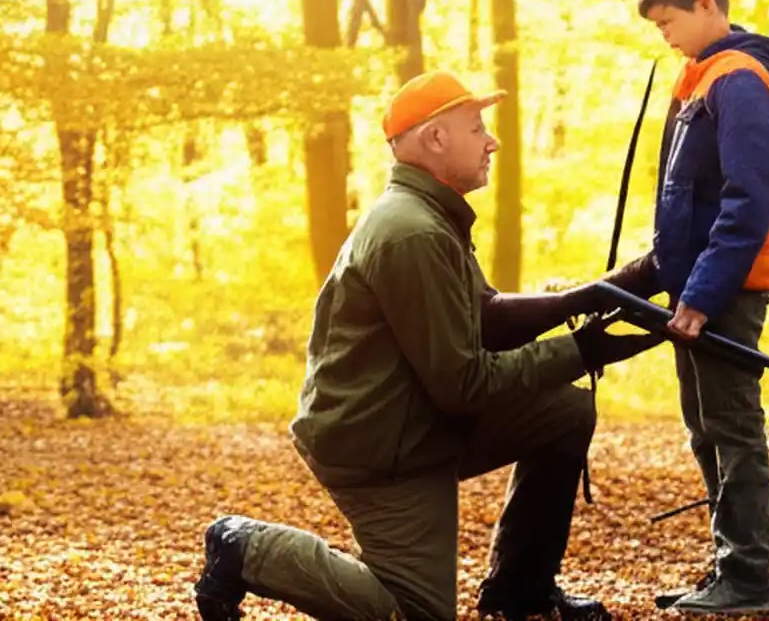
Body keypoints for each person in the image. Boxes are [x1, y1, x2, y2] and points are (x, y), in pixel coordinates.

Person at [192, 70, 663, 621]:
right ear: (434, 138)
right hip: (378, 446)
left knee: (563, 411)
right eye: (476, 128)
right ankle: (245, 546)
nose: (492, 141)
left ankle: (521, 589)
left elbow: (484, 315)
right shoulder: (410, 233)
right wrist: (582, 350)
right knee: (417, 613)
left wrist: (605, 291)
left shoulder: (433, 218)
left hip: (413, 421)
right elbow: (464, 386)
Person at [637, 0, 769, 615]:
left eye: (668, 21)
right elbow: (685, 198)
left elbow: (750, 196)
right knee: (706, 429)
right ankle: (726, 569)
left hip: (724, 288)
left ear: (706, 4)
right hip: (695, 285)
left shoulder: (738, 80)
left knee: (732, 429)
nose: (664, 36)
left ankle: (749, 580)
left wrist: (702, 295)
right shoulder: (699, 78)